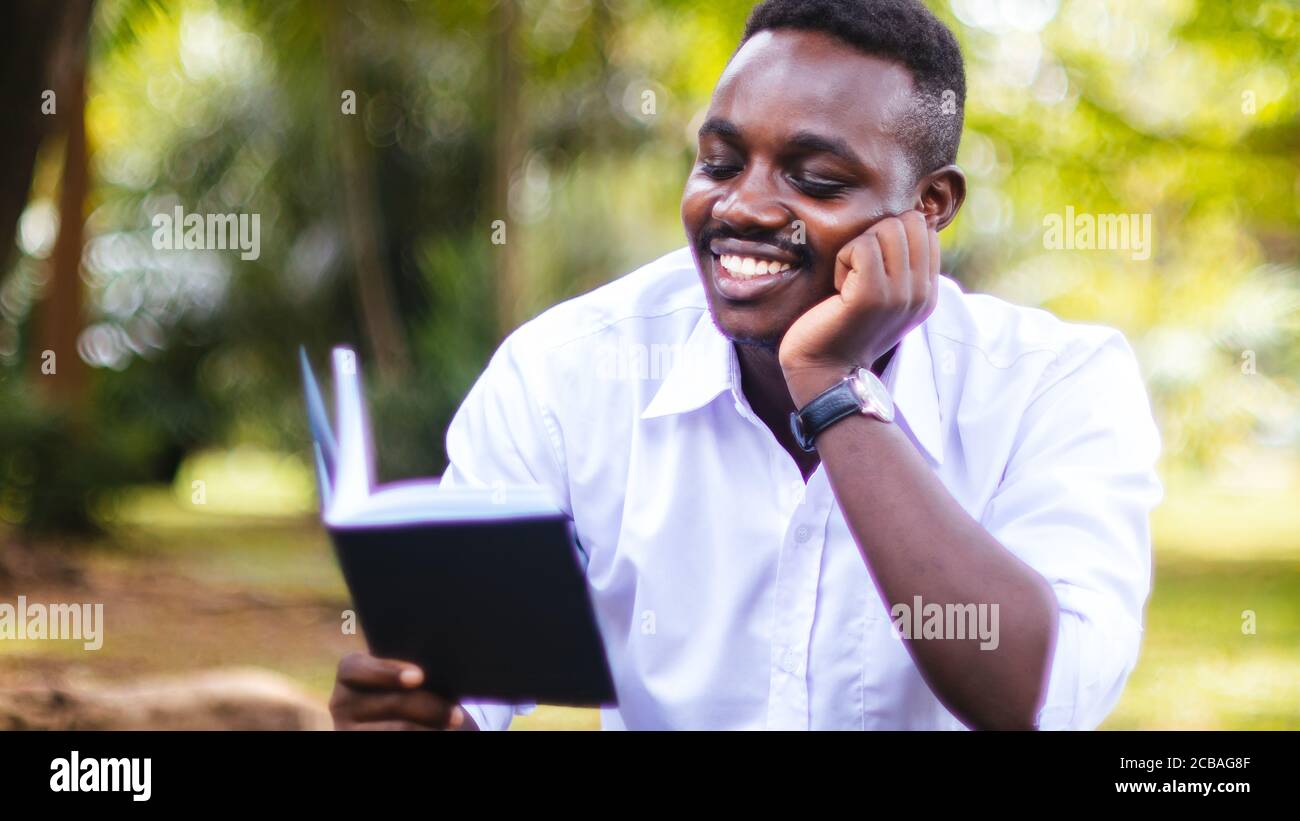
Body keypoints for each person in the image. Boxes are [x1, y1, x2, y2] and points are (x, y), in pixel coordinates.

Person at [329, 0, 1161, 731]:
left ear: (929, 206)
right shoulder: (565, 375)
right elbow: (469, 686)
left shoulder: (1057, 385)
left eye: (816, 178)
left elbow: (1028, 695)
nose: (744, 207)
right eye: (720, 162)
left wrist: (833, 384)